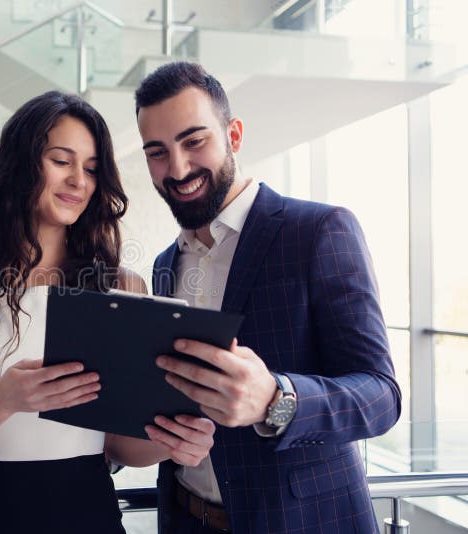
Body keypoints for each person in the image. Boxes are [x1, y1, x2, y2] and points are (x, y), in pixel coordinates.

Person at [0, 90, 215, 534]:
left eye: (90, 169)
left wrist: (174, 443)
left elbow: (116, 447)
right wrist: (3, 400)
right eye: (61, 161)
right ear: (21, 164)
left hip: (89, 515)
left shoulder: (122, 287)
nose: (78, 181)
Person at [134, 62, 402, 534]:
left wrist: (276, 400)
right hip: (186, 518)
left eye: (194, 141)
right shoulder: (164, 264)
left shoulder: (318, 231)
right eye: (158, 152)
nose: (177, 168)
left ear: (233, 135)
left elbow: (382, 396)